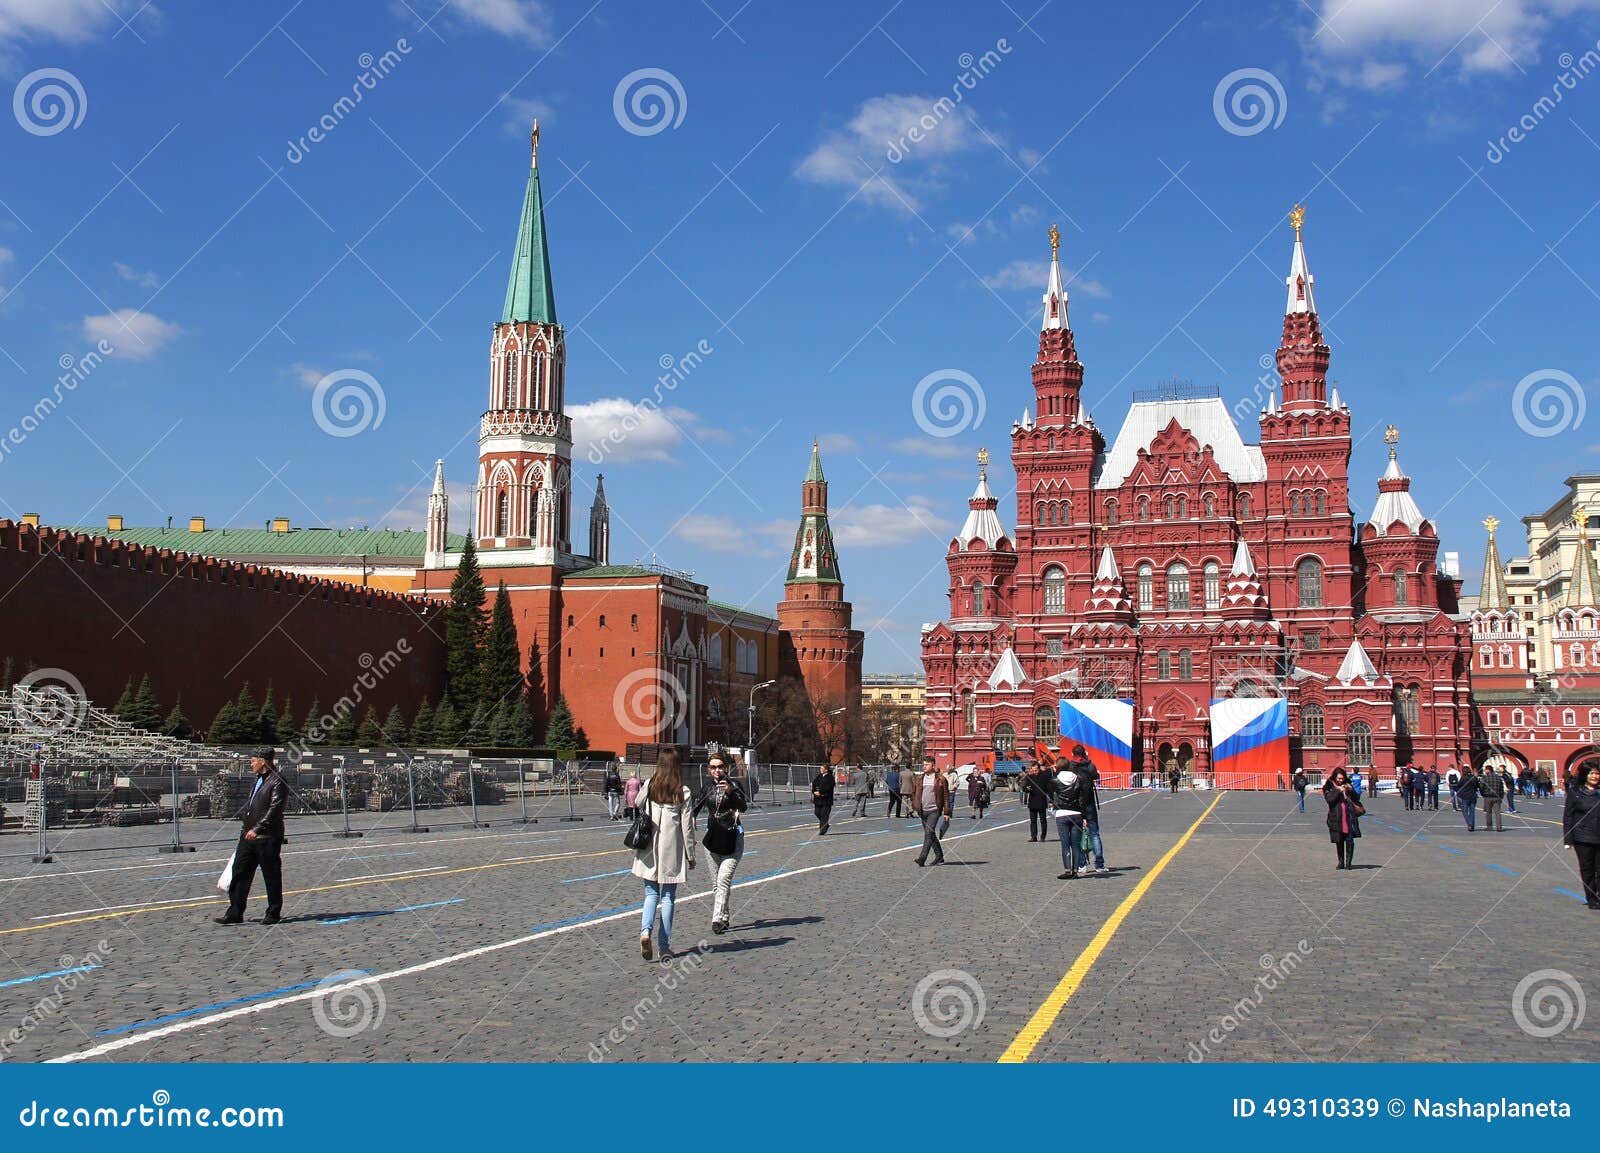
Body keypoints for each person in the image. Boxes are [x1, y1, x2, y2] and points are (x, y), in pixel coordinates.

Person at [632, 750, 696, 961]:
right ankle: (664, 945)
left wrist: (648, 786)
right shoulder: (682, 791)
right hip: (672, 850)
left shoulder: (651, 784)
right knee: (668, 898)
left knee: (651, 895)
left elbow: (637, 802)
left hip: (649, 848)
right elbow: (687, 828)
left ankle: (645, 932)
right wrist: (691, 854)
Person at [216, 747, 288, 926]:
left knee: (270, 875)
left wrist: (257, 828)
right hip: (247, 835)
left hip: (267, 837)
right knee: (239, 872)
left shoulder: (278, 781)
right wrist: (246, 828)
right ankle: (235, 911)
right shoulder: (258, 780)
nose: (251, 763)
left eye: (254, 760)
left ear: (263, 761)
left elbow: (275, 809)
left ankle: (273, 912)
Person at [692, 754, 748, 935]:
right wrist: (691, 817)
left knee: (724, 879)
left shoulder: (734, 785)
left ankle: (716, 919)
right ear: (709, 769)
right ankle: (724, 917)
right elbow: (696, 805)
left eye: (720, 766)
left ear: (727, 767)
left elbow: (743, 806)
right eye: (713, 767)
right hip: (713, 838)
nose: (717, 770)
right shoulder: (707, 787)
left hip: (732, 837)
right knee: (717, 884)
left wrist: (731, 792)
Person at [1067, 744, 1109, 875]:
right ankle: (1099, 864)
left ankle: (1081, 866)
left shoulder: (1070, 766)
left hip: (1075, 804)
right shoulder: (1090, 765)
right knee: (1094, 834)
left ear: (1073, 753)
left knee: (1077, 836)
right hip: (1089, 802)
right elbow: (1096, 776)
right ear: (1084, 753)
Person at [1562, 764, 1600, 909]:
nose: (1595, 776)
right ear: (1585, 775)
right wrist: (1568, 839)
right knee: (1587, 869)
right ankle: (1592, 898)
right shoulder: (1575, 792)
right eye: (1592, 774)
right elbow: (1568, 816)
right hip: (1582, 837)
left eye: (1597, 773)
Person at [1051, 762, 1090, 879]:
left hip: (1061, 813)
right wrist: (1084, 816)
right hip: (1076, 813)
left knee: (1065, 843)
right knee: (1075, 844)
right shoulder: (1078, 780)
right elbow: (1082, 799)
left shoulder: (1055, 780)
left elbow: (1050, 793)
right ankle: (1075, 871)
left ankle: (1067, 870)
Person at [1323, 767, 1363, 870]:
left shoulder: (1347, 784)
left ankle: (1348, 863)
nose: (1341, 780)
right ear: (1334, 777)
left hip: (1349, 816)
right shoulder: (1329, 786)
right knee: (1339, 840)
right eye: (1339, 778)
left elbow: (1356, 798)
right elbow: (1329, 800)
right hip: (1336, 817)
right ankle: (1340, 862)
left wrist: (1351, 789)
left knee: (1349, 839)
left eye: (1342, 778)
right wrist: (1338, 791)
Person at [912, 755, 948, 866]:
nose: (924, 766)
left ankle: (922, 858)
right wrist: (915, 805)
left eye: (927, 764)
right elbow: (915, 793)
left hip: (934, 810)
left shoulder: (941, 779)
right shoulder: (919, 779)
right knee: (930, 834)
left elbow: (946, 796)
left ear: (933, 765)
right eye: (924, 764)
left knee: (928, 833)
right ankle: (939, 856)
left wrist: (947, 812)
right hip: (923, 810)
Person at [1022, 759, 1053, 841]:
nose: (1035, 771)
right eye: (1033, 770)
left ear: (1039, 769)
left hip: (1042, 801)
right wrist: (1027, 789)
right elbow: (1024, 788)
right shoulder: (1029, 777)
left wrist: (1051, 801)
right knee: (1033, 821)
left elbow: (1049, 789)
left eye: (1036, 770)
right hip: (1032, 801)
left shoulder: (1045, 777)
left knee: (1043, 820)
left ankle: (1043, 836)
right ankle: (1033, 836)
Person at [811, 764, 835, 835]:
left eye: (822, 768)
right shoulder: (818, 776)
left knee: (824, 815)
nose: (820, 769)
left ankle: (822, 830)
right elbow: (814, 784)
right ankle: (825, 824)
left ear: (826, 770)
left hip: (826, 799)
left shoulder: (830, 778)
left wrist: (821, 792)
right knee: (817, 813)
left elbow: (829, 787)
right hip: (818, 799)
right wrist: (814, 791)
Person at [1480, 763, 1505, 832]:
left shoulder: (1484, 778)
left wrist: (1483, 795)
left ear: (1488, 770)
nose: (1485, 771)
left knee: (1488, 812)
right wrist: (1501, 796)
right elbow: (1501, 788)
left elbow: (1481, 788)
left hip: (1488, 797)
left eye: (1485, 770)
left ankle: (1489, 827)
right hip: (1497, 797)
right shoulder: (1498, 778)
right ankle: (1499, 827)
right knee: (1497, 813)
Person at [1456, 764, 1481, 831]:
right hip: (1473, 796)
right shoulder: (1474, 778)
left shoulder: (1463, 778)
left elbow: (1458, 786)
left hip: (1465, 796)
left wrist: (1459, 794)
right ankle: (1472, 825)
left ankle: (1469, 824)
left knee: (1464, 811)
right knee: (1472, 811)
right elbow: (1478, 786)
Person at [941, 766, 959, 836]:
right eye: (947, 768)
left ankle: (950, 813)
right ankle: (946, 812)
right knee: (945, 802)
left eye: (949, 769)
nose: (947, 769)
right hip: (945, 790)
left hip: (951, 791)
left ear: (951, 769)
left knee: (951, 803)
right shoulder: (944, 775)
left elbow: (957, 782)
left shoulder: (954, 775)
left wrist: (954, 786)